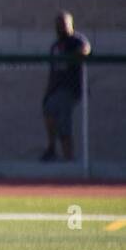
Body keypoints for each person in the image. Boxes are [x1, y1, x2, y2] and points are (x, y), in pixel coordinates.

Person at [41, 11, 91, 163]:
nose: (61, 27)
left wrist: (76, 54)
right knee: (48, 109)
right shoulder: (56, 46)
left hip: (71, 88)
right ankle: (52, 148)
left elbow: (86, 49)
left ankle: (68, 157)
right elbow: (53, 71)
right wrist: (48, 92)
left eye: (64, 24)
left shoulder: (76, 40)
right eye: (58, 24)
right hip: (56, 89)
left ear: (70, 24)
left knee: (63, 120)